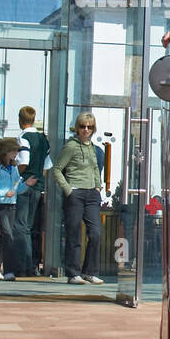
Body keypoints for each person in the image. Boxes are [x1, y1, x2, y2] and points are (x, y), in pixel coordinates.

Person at [53, 112, 105, 285]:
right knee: (73, 234)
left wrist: (98, 186)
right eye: (82, 126)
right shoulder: (71, 146)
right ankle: (73, 273)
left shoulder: (92, 147)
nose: (86, 130)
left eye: (89, 127)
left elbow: (96, 168)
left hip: (91, 194)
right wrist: (68, 189)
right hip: (75, 193)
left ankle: (90, 272)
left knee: (96, 233)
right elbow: (57, 169)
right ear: (77, 128)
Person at [0, 139, 36, 280]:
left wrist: (27, 184)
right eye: (14, 151)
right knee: (8, 235)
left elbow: (17, 188)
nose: (16, 154)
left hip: (12, 205)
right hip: (0, 206)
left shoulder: (13, 168)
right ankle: (9, 271)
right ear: (6, 152)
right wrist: (3, 193)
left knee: (5, 237)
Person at [15, 106, 52, 275]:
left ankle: (25, 265)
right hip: (38, 185)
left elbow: (23, 160)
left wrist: (18, 178)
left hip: (25, 184)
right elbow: (47, 165)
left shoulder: (23, 137)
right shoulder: (43, 139)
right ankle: (34, 264)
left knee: (21, 226)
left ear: (20, 120)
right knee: (33, 227)